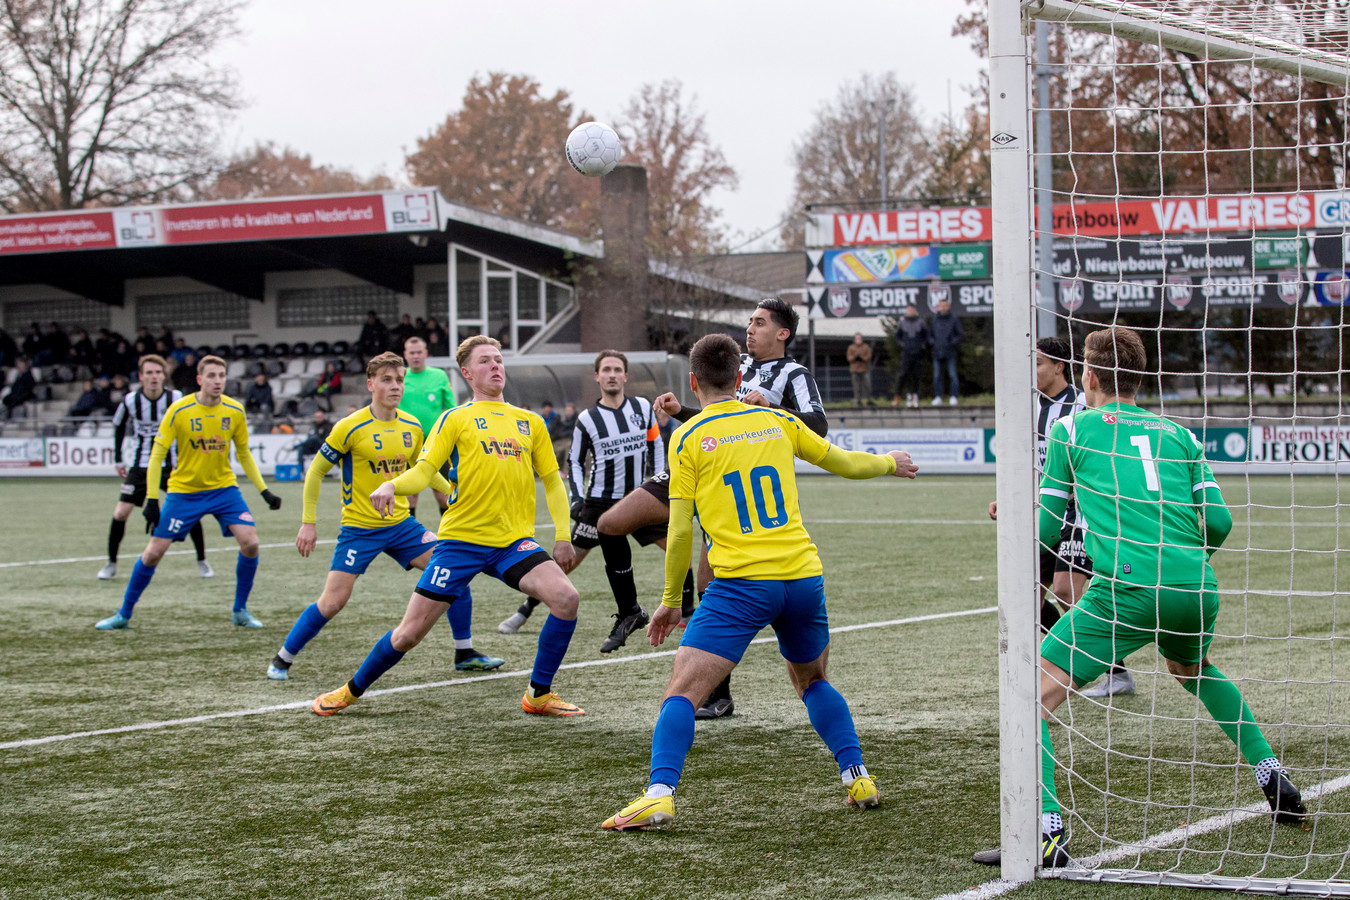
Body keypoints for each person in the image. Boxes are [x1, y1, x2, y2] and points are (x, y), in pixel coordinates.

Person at [972, 326, 1307, 869]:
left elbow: (1048, 530)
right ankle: (1274, 778)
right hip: (1194, 583)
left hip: (1125, 588)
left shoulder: (1072, 431)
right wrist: (1182, 564)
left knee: (1030, 699)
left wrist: (1011, 517)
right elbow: (1219, 522)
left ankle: (1048, 834)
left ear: (1093, 375)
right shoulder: (1180, 435)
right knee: (1191, 668)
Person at [600, 333, 919, 831]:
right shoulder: (775, 420)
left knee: (682, 693)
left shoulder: (687, 437)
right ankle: (858, 777)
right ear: (741, 379)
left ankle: (659, 795)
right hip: (802, 577)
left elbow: (681, 530)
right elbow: (843, 462)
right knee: (813, 681)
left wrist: (668, 602)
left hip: (742, 584)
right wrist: (889, 463)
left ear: (692, 382)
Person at [310, 335, 585, 718]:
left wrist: (561, 534)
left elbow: (553, 481)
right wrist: (392, 483)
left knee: (566, 598)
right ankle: (351, 690)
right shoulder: (454, 419)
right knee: (408, 635)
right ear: (467, 373)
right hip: (460, 544)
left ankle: (538, 695)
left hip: (512, 543)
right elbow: (424, 471)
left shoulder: (530, 422)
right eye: (486, 361)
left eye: (499, 359)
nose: (495, 366)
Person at [602, 296, 828, 719]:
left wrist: (770, 407)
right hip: (702, 459)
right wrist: (680, 412)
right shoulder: (735, 365)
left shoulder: (794, 374)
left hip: (741, 485)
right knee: (613, 521)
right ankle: (637, 607)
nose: (750, 328)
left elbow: (818, 427)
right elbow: (717, 414)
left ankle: (716, 692)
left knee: (710, 573)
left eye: (760, 323)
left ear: (783, 333)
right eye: (749, 321)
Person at [268, 352, 502, 682]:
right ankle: (283, 658)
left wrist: (455, 490)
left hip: (403, 526)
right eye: (387, 380)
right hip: (359, 530)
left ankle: (464, 653)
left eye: (400, 380)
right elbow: (316, 472)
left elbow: (425, 471)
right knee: (333, 602)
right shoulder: (350, 427)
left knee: (452, 572)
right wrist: (308, 522)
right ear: (370, 384)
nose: (396, 386)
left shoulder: (411, 425)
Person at [498, 351, 686, 652]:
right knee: (565, 562)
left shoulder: (641, 408)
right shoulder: (587, 419)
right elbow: (574, 462)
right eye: (606, 370)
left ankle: (688, 613)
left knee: (678, 548)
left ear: (626, 376)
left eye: (617, 370)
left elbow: (657, 446)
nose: (612, 374)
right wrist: (576, 500)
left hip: (639, 499)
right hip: (599, 505)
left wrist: (660, 483)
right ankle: (525, 610)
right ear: (597, 376)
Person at [990, 336, 1135, 699]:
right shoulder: (1029, 409)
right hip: (1042, 514)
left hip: (1079, 515)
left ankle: (1113, 672)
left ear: (1060, 367)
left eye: (1038, 364)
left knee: (1066, 592)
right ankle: (1071, 662)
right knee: (1028, 601)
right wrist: (1007, 499)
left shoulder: (1083, 407)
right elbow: (1031, 465)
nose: (1032, 372)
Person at [93, 355, 283, 630]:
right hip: (184, 492)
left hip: (223, 490)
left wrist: (264, 491)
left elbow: (243, 453)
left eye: (221, 376)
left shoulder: (235, 411)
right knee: (153, 553)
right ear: (199, 380)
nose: (217, 381)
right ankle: (123, 613)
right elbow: (157, 454)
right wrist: (151, 500)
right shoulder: (179, 410)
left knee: (251, 543)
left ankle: (240, 610)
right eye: (211, 376)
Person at [98, 355, 211, 581]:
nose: (154, 377)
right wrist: (119, 458)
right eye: (149, 373)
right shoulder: (131, 400)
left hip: (173, 468)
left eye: (158, 372)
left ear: (164, 376)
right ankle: (111, 563)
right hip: (141, 467)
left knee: (190, 512)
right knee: (120, 513)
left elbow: (193, 422)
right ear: (141, 377)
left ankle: (202, 560)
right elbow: (119, 426)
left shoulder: (176, 397)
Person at [398, 336, 456, 522]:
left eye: (419, 352)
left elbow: (451, 409)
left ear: (426, 354)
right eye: (412, 353)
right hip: (405, 444)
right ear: (406, 355)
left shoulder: (439, 376)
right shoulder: (399, 376)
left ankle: (450, 537)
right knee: (410, 494)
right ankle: (408, 539)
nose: (415, 356)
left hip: (436, 444)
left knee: (443, 493)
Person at [894, 304, 929, 408]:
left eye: (912, 309)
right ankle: (898, 395)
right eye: (909, 309)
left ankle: (914, 395)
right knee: (904, 374)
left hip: (917, 352)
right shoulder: (902, 322)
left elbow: (926, 335)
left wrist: (922, 345)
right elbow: (898, 337)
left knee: (916, 375)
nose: (910, 311)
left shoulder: (921, 322)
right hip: (906, 352)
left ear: (915, 310)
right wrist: (901, 344)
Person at [930, 298, 963, 406]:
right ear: (938, 307)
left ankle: (954, 396)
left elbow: (960, 334)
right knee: (937, 376)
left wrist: (951, 342)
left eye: (945, 305)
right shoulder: (934, 320)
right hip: (937, 352)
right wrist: (933, 342)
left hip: (950, 352)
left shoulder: (954, 319)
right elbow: (930, 335)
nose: (943, 308)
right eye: (941, 306)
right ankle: (938, 396)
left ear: (948, 307)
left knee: (952, 375)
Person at [846, 332, 873, 407]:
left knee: (867, 385)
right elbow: (849, 358)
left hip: (864, 369)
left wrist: (862, 358)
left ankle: (869, 400)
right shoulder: (851, 347)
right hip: (855, 370)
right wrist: (855, 358)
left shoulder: (866, 347)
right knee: (856, 387)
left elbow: (868, 356)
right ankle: (858, 400)